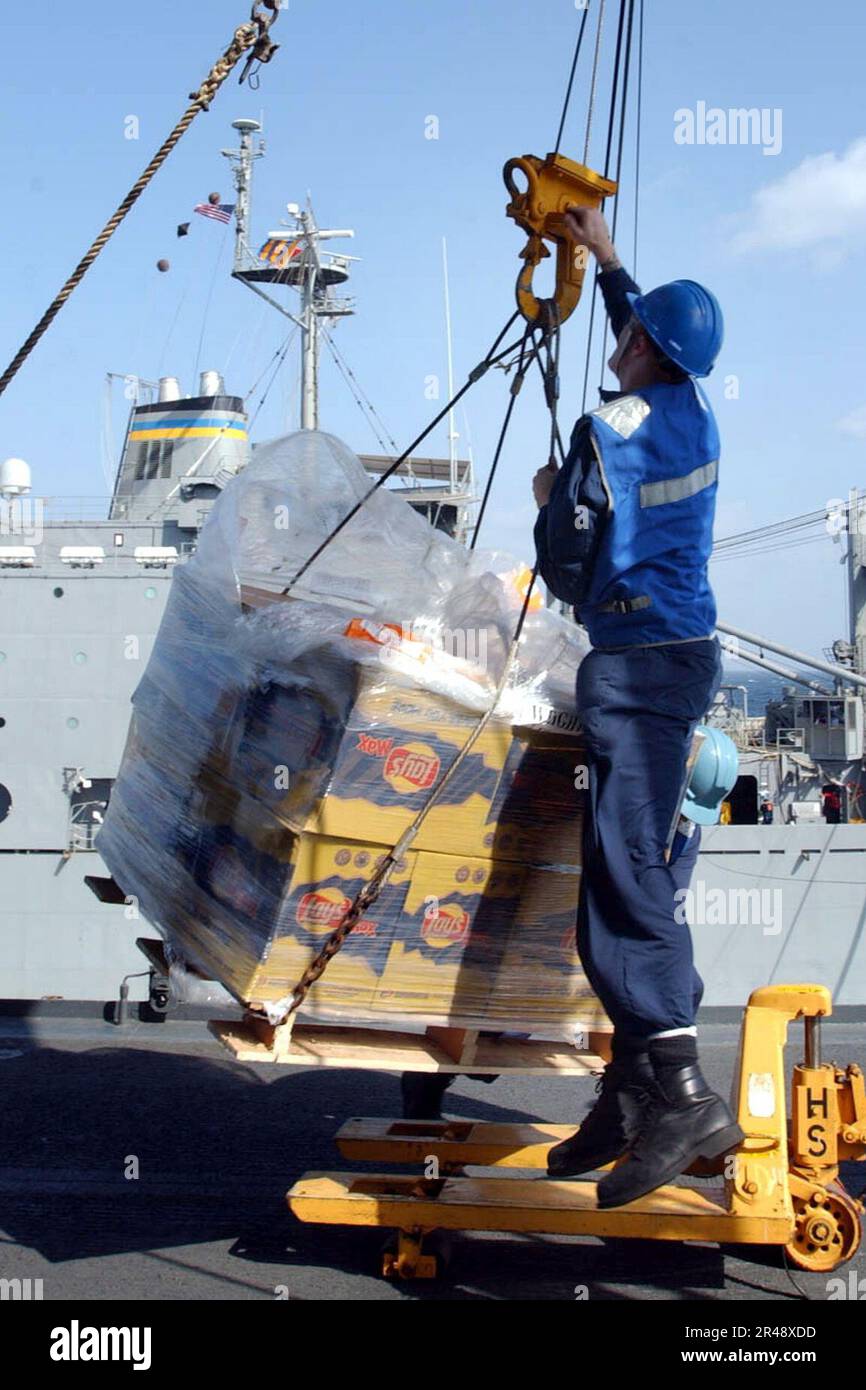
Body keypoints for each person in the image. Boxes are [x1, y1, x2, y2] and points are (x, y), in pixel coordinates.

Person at [532, 207, 743, 1208]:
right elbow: (645, 335)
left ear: (638, 349)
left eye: (625, 333)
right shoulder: (694, 411)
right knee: (614, 889)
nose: (614, 345)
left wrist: (545, 499)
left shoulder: (603, 431)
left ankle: (682, 1093)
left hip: (634, 667)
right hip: (679, 656)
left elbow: (565, 564)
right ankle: (629, 1093)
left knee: (629, 883)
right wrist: (606, 259)